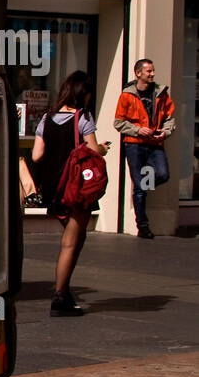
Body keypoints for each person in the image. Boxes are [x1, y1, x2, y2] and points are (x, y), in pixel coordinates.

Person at [32, 70, 110, 317]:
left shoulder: (46, 118)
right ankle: (59, 297)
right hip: (76, 188)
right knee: (70, 242)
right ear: (82, 93)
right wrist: (103, 149)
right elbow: (93, 150)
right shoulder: (83, 117)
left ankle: (64, 291)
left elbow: (36, 155)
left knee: (75, 238)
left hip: (54, 188)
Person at [114, 57, 175, 239]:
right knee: (140, 188)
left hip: (155, 143)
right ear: (138, 73)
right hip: (134, 144)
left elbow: (170, 117)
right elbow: (118, 122)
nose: (153, 74)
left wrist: (166, 131)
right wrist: (138, 130)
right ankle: (143, 226)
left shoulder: (161, 93)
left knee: (163, 174)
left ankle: (142, 186)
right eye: (149, 71)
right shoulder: (127, 95)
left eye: (153, 71)